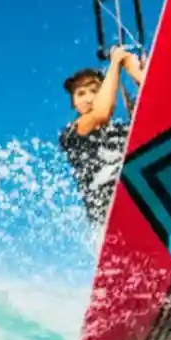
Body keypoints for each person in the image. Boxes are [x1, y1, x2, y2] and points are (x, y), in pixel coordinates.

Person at [59, 46, 145, 226]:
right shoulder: (74, 131)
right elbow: (102, 112)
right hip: (105, 215)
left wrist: (133, 69)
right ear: (74, 104)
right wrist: (115, 63)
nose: (88, 98)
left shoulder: (122, 130)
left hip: (139, 199)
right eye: (81, 94)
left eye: (94, 90)